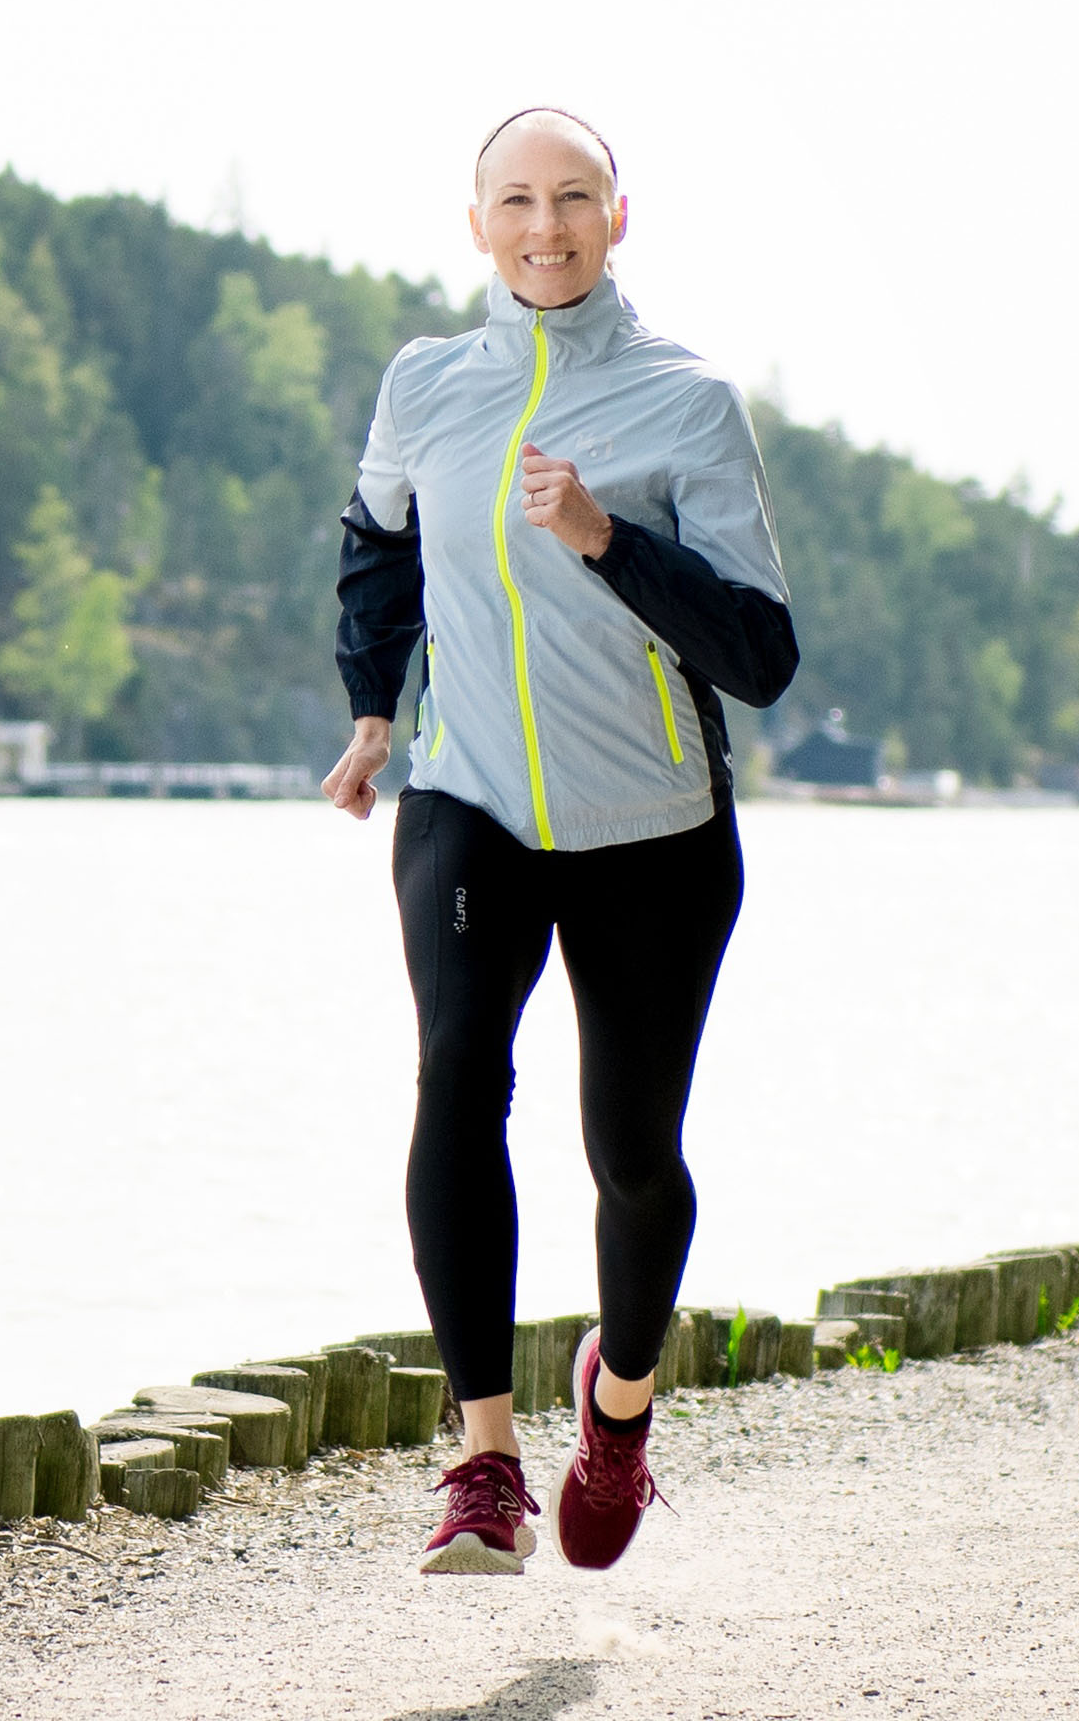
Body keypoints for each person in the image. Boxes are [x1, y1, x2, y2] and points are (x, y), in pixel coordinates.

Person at [322, 107, 799, 1575]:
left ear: (618, 214)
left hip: (652, 822)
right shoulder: (425, 385)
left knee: (632, 1151)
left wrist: (607, 539)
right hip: (471, 802)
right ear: (477, 224)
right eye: (517, 201)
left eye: (573, 198)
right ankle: (482, 1465)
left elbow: (760, 654)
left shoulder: (688, 404)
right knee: (459, 1076)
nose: (546, 226)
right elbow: (379, 542)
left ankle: (622, 1410)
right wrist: (372, 713)